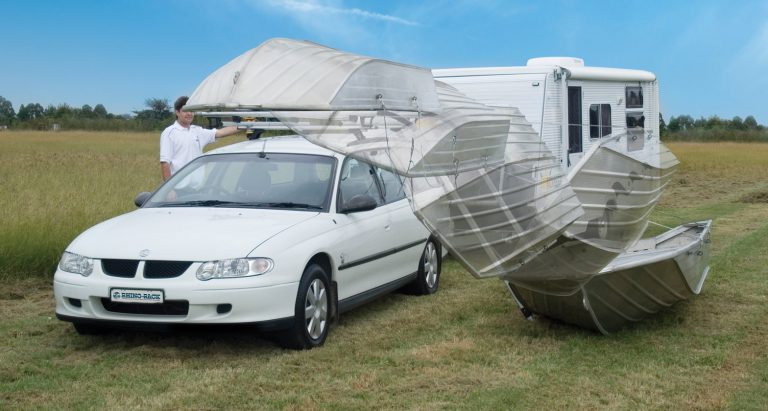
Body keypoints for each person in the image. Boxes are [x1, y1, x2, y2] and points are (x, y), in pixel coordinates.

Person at [159, 96, 241, 181]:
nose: (189, 114)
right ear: (177, 112)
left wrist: (245, 125)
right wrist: (169, 190)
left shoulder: (197, 130)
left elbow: (219, 133)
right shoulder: (169, 133)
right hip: (178, 186)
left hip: (197, 186)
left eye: (191, 111)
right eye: (185, 111)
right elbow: (165, 162)